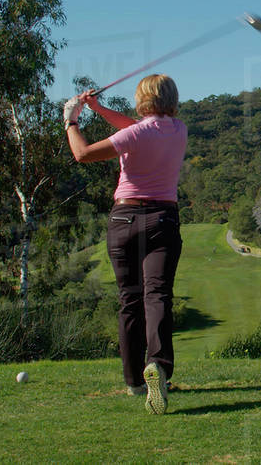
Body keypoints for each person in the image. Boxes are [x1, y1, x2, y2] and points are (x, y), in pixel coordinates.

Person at [63, 74, 187, 415]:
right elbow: (136, 128)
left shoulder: (136, 133)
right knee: (157, 295)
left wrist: (71, 119)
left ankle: (134, 381)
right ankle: (158, 365)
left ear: (141, 97)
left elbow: (83, 153)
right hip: (163, 218)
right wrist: (99, 108)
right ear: (171, 99)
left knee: (130, 300)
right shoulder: (178, 130)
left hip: (125, 220)